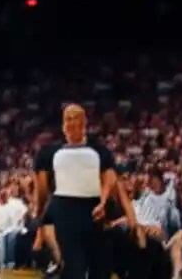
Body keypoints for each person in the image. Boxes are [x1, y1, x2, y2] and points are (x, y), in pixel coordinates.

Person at [34, 104, 137, 279]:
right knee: (73, 266)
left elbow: (111, 180)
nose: (72, 123)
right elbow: (42, 190)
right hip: (64, 210)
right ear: (63, 125)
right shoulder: (48, 153)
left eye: (77, 119)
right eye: (68, 119)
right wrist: (40, 216)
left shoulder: (99, 151)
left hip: (93, 210)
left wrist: (104, 203)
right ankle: (57, 264)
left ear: (84, 123)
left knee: (99, 267)